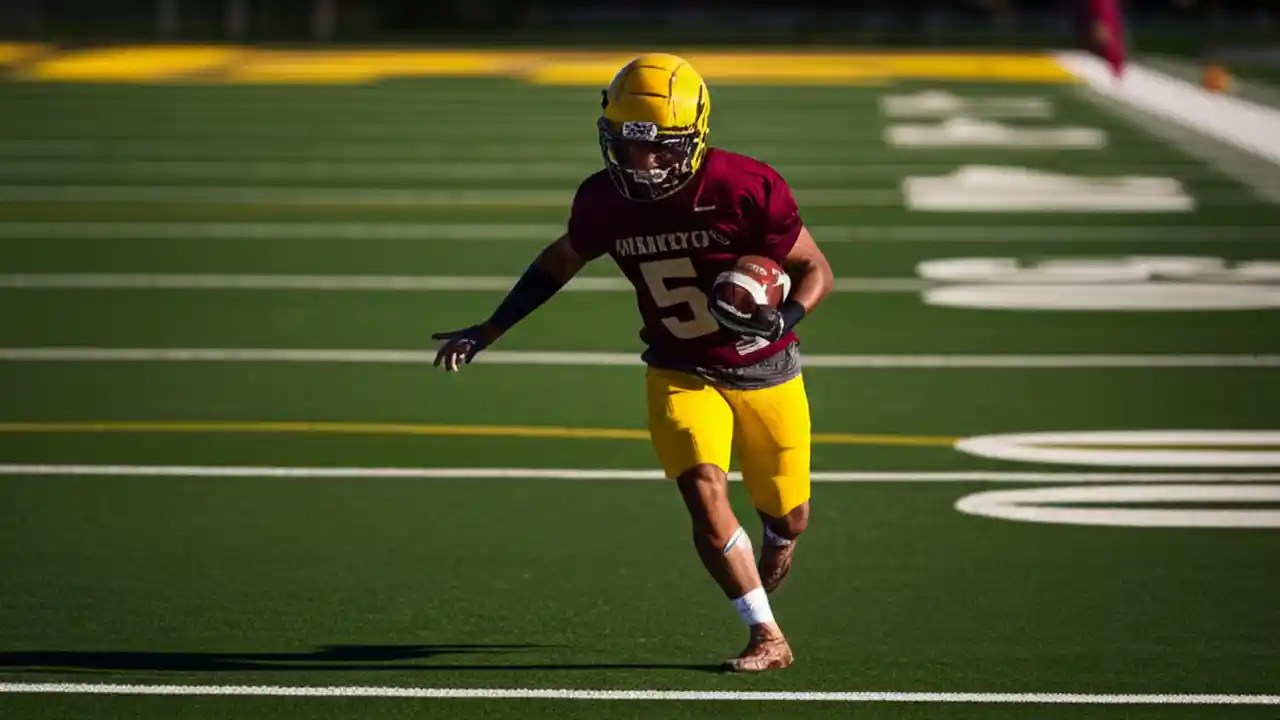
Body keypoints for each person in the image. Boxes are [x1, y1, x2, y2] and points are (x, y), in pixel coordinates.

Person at [432, 53, 834, 672]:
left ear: (696, 136)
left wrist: (786, 318)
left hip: (765, 365)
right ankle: (765, 634)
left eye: (660, 148)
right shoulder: (603, 201)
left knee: (789, 512)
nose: (642, 163)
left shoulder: (744, 186)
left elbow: (815, 269)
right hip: (678, 367)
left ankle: (779, 536)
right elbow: (560, 260)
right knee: (703, 493)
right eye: (627, 145)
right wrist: (489, 329)